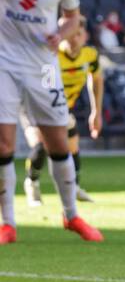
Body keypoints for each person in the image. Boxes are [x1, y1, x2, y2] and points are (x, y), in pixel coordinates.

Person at [0, 0, 103, 243]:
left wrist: (61, 33)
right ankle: (8, 223)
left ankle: (71, 216)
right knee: (3, 143)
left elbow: (72, 16)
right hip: (5, 60)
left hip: (44, 66)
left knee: (58, 142)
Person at [23, 18, 102, 206]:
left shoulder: (90, 55)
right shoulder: (52, 55)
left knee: (72, 149)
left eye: (78, 34)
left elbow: (96, 80)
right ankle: (32, 184)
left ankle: (73, 188)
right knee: (42, 145)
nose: (74, 39)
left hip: (61, 109)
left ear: (86, 36)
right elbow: (45, 88)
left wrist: (96, 111)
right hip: (35, 104)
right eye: (69, 34)